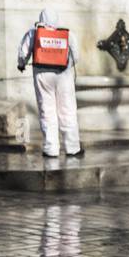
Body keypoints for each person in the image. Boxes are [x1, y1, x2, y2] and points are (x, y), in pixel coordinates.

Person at [17, 9, 83, 158]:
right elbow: (76, 56)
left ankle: (50, 149)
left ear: (41, 18)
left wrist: (21, 64)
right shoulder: (67, 34)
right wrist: (66, 66)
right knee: (67, 111)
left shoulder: (33, 33)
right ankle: (72, 148)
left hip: (42, 75)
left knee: (47, 111)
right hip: (63, 77)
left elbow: (23, 53)